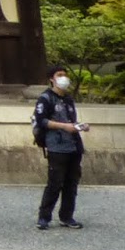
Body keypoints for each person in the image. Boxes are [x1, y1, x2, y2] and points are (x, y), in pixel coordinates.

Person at [35, 64, 90, 230]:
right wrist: (63, 126)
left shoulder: (68, 98)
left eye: (65, 75)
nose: (63, 78)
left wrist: (80, 126)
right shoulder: (45, 98)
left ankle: (67, 216)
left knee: (71, 184)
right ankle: (44, 217)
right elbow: (41, 120)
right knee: (55, 183)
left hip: (73, 145)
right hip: (56, 146)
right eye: (59, 75)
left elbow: (71, 120)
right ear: (52, 78)